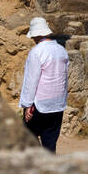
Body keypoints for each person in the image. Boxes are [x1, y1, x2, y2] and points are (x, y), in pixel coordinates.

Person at [18, 17, 68, 152]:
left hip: (40, 104)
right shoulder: (61, 50)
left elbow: (31, 80)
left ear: (36, 35)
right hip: (58, 104)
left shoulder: (36, 52)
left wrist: (27, 105)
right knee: (50, 143)